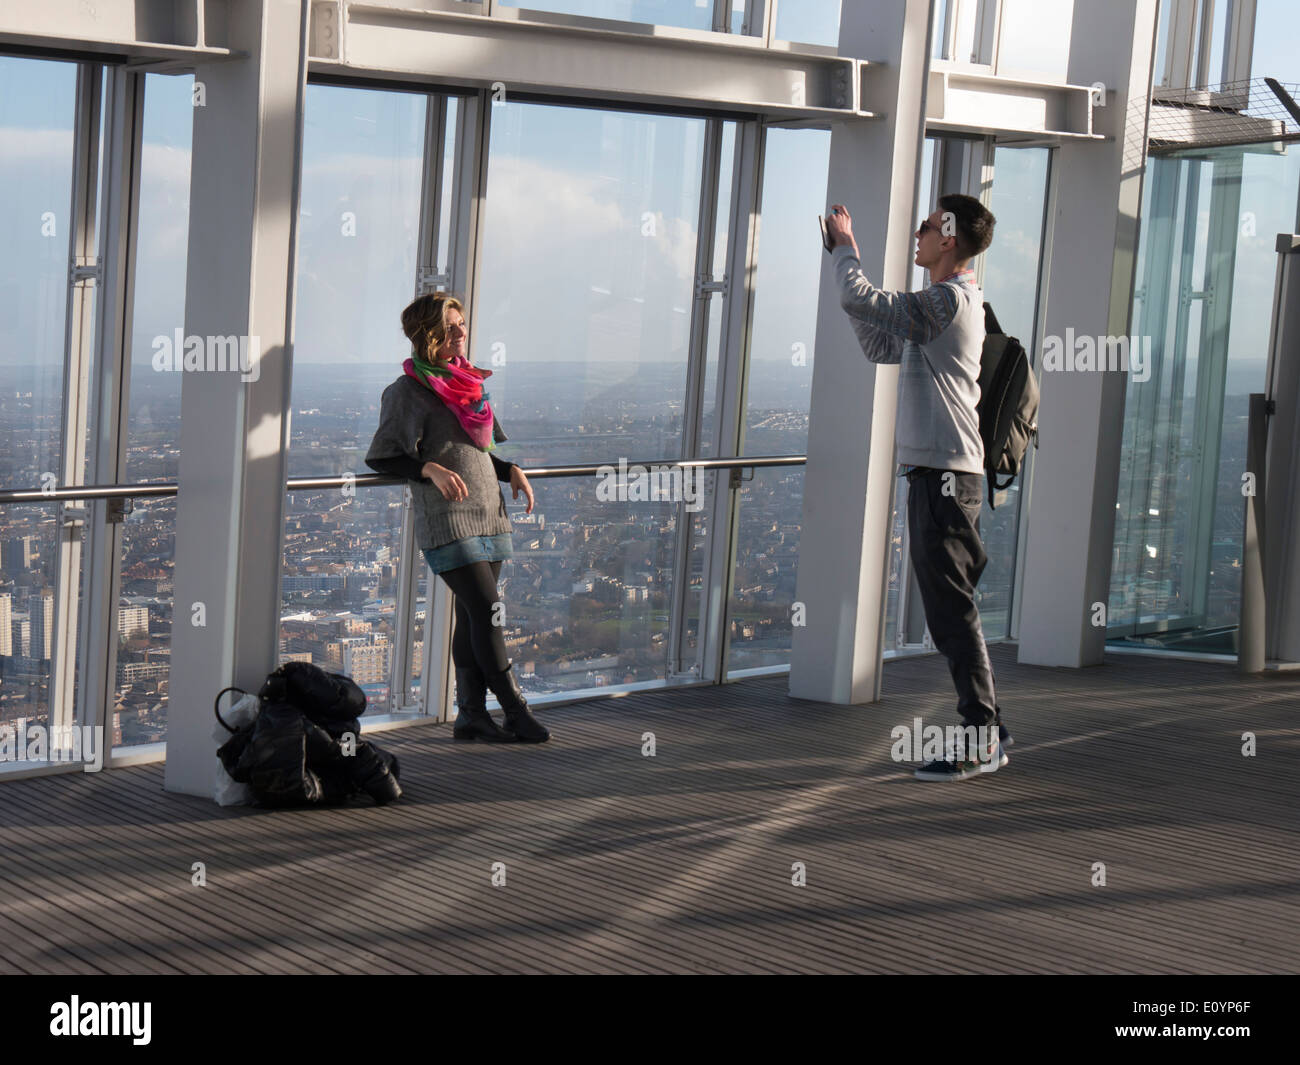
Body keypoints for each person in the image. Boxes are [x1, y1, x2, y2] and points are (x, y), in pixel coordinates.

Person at [824, 195, 1010, 780]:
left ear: (950, 238)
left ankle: (982, 738)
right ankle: (989, 730)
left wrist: (845, 251)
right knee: (951, 609)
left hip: (948, 478)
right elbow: (879, 341)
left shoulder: (948, 299)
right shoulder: (937, 308)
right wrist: (855, 290)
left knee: (952, 612)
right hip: (940, 474)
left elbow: (862, 297)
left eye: (928, 227)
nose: (918, 233)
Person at [364, 292, 549, 743]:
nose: (461, 333)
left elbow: (479, 451)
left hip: (489, 510)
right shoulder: (406, 392)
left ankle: (470, 716)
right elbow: (383, 457)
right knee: (489, 613)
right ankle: (514, 710)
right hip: (448, 519)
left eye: (462, 324)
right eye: (450, 327)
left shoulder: (469, 384)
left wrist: (510, 469)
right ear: (426, 334)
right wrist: (425, 467)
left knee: (472, 618)